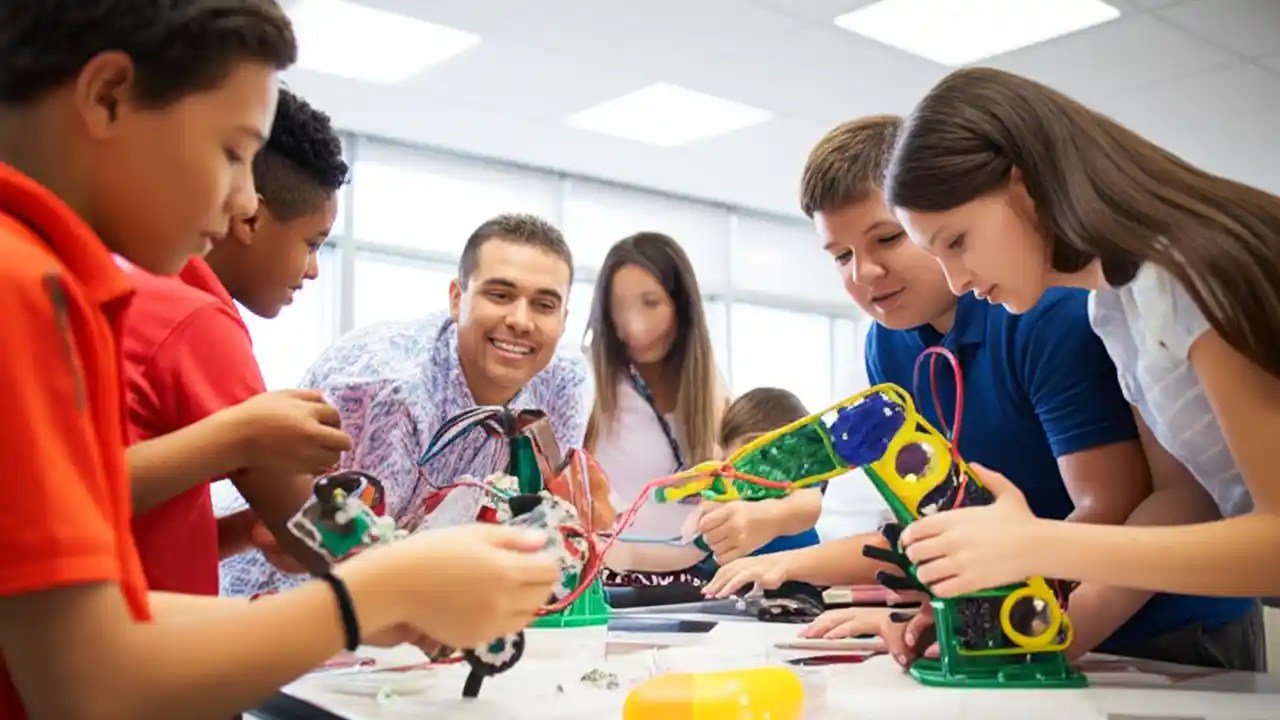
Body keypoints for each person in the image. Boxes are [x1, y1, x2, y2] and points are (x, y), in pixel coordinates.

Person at [0, 3, 557, 718]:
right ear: (108, 97)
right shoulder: (24, 288)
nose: (243, 201)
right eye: (232, 152)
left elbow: (89, 618)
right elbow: (88, 683)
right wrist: (373, 594)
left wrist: (369, 598)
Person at [707, 115, 1260, 671]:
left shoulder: (1047, 309)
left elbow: (1119, 503)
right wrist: (959, 617)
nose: (865, 272)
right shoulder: (887, 346)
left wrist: (1025, 629)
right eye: (840, 256)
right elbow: (943, 512)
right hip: (1034, 615)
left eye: (889, 238)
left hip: (1163, 622)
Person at [879, 66, 1280, 602]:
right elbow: (1185, 498)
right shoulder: (1113, 306)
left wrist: (1037, 544)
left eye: (958, 242)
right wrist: (1034, 624)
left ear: (1022, 181)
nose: (958, 282)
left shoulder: (1194, 274)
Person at [220, 212, 590, 597]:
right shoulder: (383, 385)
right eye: (500, 295)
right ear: (457, 298)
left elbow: (546, 519)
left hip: (425, 598)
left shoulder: (563, 381)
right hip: (277, 596)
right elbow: (345, 549)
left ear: (564, 319)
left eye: (544, 305)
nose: (521, 321)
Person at [124, 86, 350, 595]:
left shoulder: (147, 287)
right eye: (311, 244)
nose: (313, 270)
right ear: (250, 217)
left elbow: (123, 521)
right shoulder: (196, 317)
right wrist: (407, 558)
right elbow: (317, 532)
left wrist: (243, 530)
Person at [604, 387, 837, 578]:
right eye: (732, 463)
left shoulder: (800, 488)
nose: (736, 475)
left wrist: (765, 516)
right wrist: (626, 556)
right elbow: (685, 553)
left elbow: (809, 505)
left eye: (757, 460)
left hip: (797, 600)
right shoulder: (727, 503)